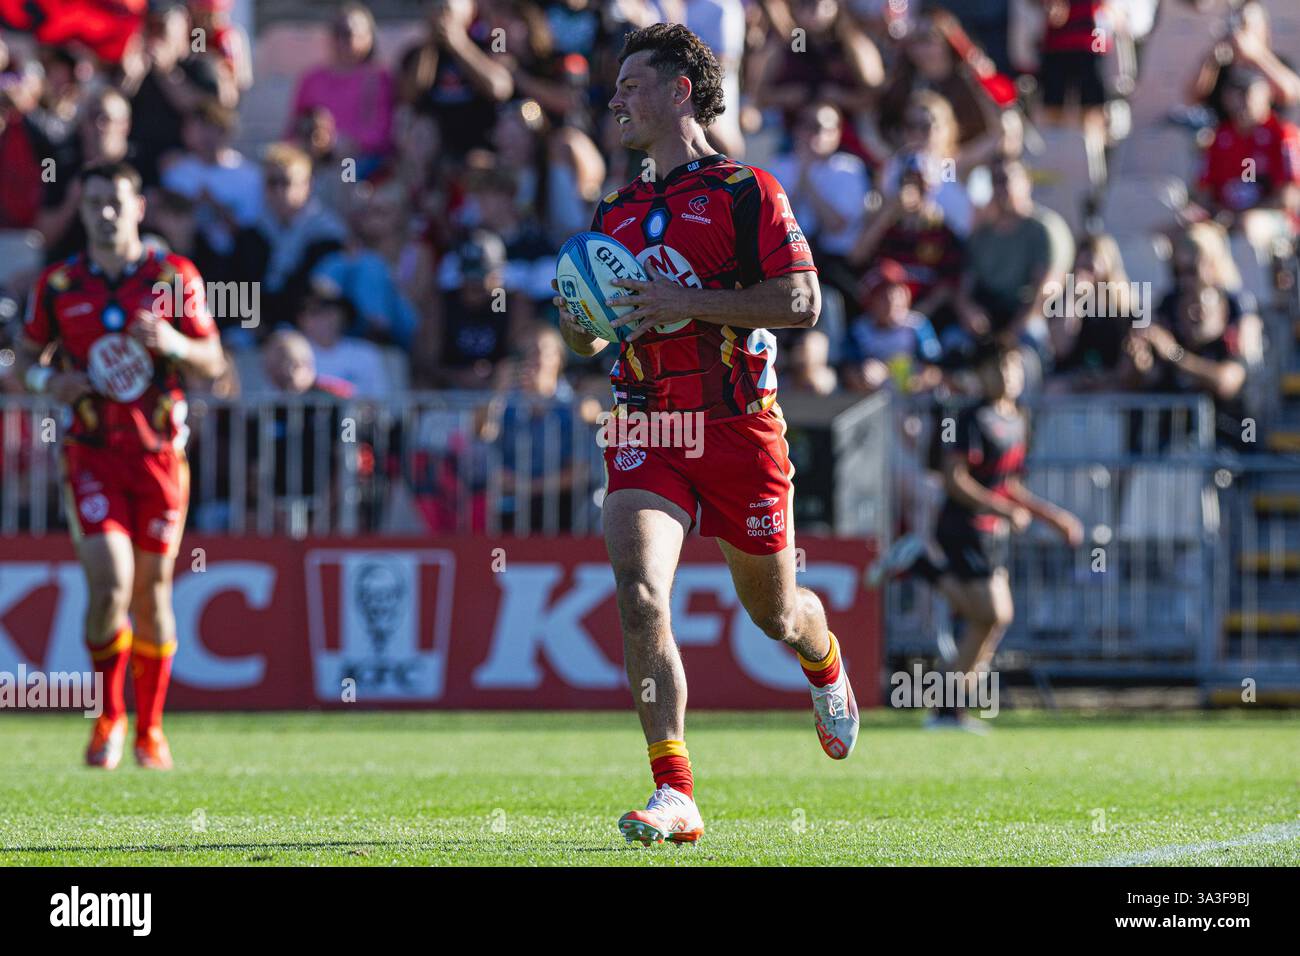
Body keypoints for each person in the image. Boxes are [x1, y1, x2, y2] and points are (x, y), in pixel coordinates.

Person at [551, 23, 859, 846]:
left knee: (775, 614)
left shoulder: (745, 191)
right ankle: (675, 791)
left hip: (739, 431)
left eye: (630, 84)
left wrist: (689, 303)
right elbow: (590, 337)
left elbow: (802, 302)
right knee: (640, 589)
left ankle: (820, 656)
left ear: (680, 90)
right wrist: (580, 321)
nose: (614, 98)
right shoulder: (612, 209)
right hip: (649, 422)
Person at [12, 160, 226, 769]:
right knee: (110, 582)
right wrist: (46, 379)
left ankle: (150, 730)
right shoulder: (59, 285)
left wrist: (176, 344)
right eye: (93, 202)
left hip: (159, 457)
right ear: (80, 211)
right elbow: (23, 360)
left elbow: (214, 361)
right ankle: (108, 716)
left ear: (140, 207)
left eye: (116, 201)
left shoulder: (172, 276)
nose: (105, 212)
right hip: (92, 454)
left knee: (152, 593)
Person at [868, 339, 1083, 730]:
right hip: (962, 526)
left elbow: (1011, 485)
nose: (1007, 376)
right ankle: (922, 565)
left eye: (1013, 367)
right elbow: (954, 480)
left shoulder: (1018, 419)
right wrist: (1001, 509)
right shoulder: (969, 419)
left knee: (990, 621)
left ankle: (949, 710)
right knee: (992, 614)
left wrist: (1054, 518)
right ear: (982, 375)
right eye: (998, 368)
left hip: (992, 533)